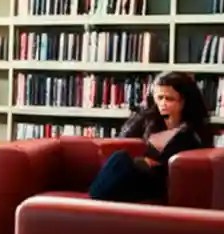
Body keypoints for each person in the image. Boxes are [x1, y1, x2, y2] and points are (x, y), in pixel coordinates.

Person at [88, 70, 212, 204]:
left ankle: (93, 202)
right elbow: (124, 140)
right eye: (159, 98)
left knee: (120, 163)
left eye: (169, 99)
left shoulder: (192, 130)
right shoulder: (149, 118)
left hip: (161, 180)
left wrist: (155, 163)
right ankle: (95, 201)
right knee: (120, 158)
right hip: (137, 174)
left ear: (184, 101)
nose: (163, 104)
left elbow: (189, 164)